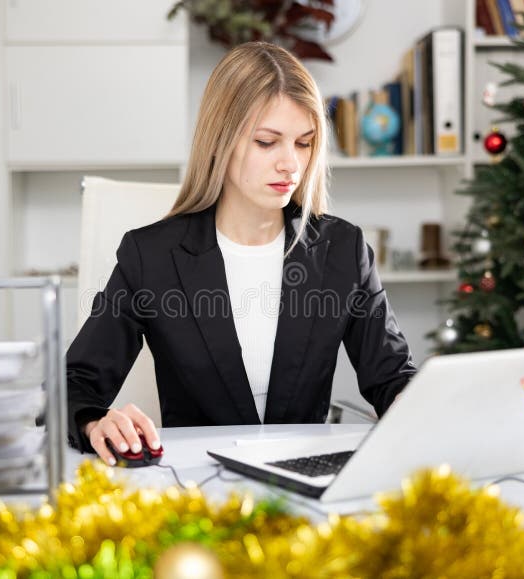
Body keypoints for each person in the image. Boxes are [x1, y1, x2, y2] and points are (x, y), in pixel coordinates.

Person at [67, 41, 416, 465]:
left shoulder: (343, 249)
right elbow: (74, 384)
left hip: (305, 480)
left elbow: (393, 376)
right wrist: (95, 421)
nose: (291, 163)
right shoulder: (151, 256)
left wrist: (408, 403)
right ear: (219, 142)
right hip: (195, 482)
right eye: (267, 142)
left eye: (304, 144)